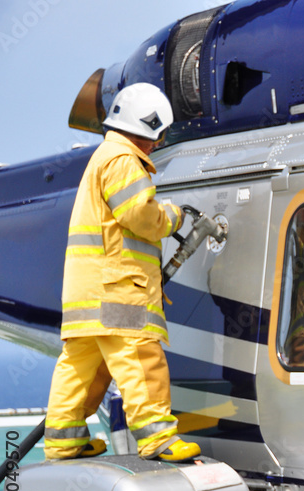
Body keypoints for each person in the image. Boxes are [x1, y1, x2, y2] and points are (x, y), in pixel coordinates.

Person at [44, 83, 200, 462]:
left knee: (81, 366)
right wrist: (174, 216)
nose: (157, 145)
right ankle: (158, 439)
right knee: (139, 357)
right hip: (118, 290)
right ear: (148, 129)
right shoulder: (123, 159)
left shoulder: (104, 156)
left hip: (87, 293)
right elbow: (139, 215)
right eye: (157, 136)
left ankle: (64, 441)